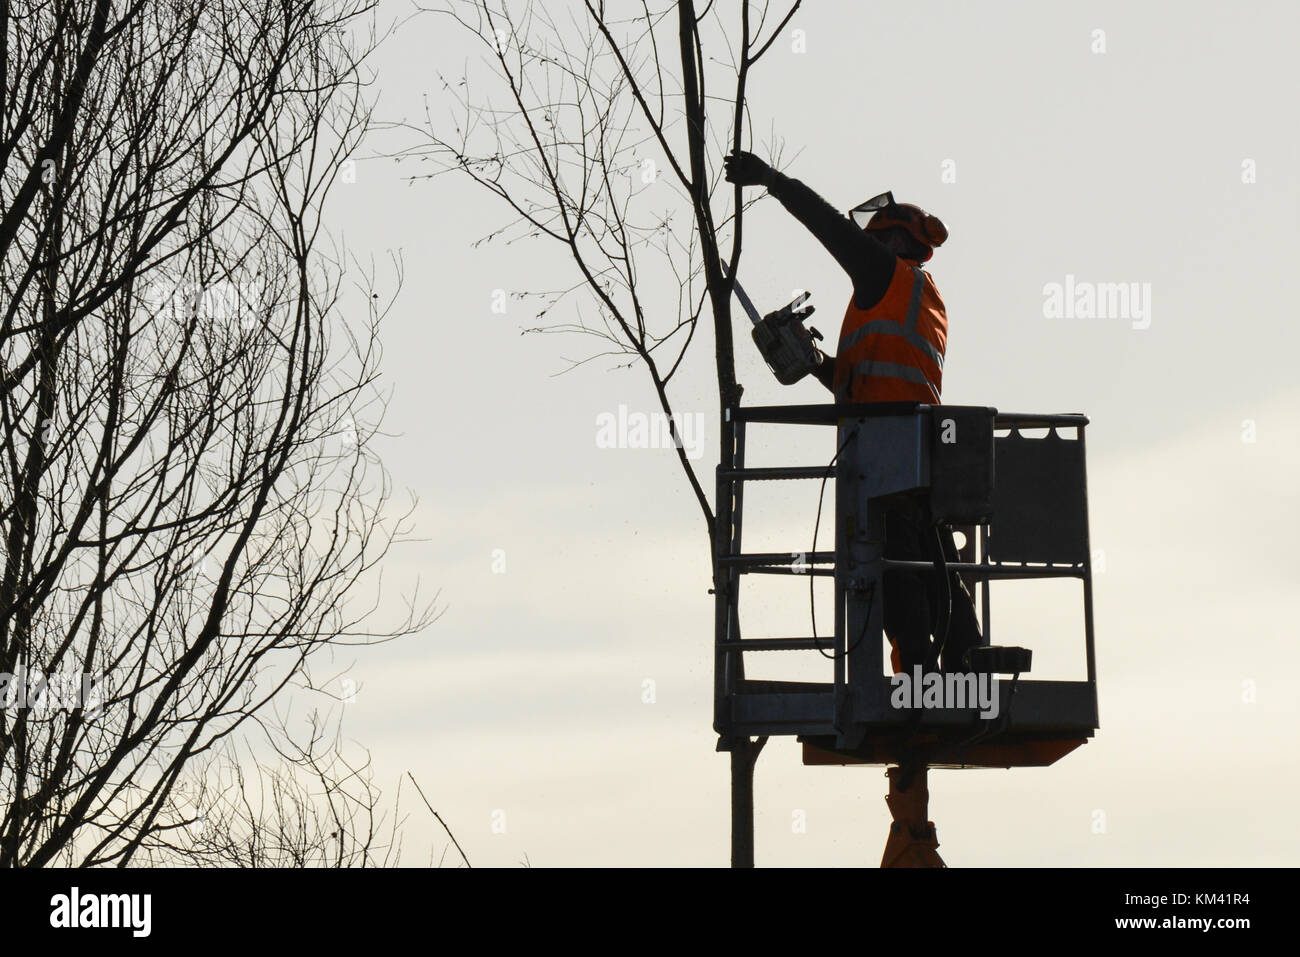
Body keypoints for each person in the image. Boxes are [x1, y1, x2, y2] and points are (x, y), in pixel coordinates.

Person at [723, 150, 981, 674]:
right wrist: (816, 361)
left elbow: (828, 228)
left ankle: (926, 679)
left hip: (888, 455)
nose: (869, 246)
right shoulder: (911, 297)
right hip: (910, 452)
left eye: (877, 238)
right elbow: (864, 382)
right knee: (931, 567)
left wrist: (771, 180)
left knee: (896, 574)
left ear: (895, 242)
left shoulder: (887, 277)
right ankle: (963, 668)